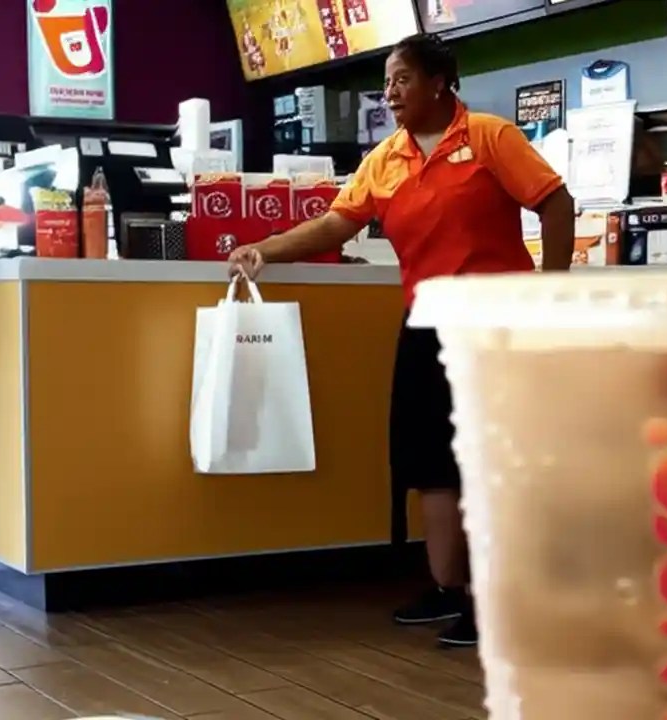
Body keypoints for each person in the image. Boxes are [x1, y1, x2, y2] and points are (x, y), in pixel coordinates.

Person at [229, 34, 575, 647]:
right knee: (431, 466)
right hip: (425, 325)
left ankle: (499, 601)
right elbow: (336, 224)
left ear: (439, 82)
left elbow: (555, 202)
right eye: (386, 82)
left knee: (488, 464)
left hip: (495, 324)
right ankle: (449, 587)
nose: (390, 92)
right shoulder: (384, 158)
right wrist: (264, 250)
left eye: (402, 79)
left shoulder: (490, 137)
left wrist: (551, 290)